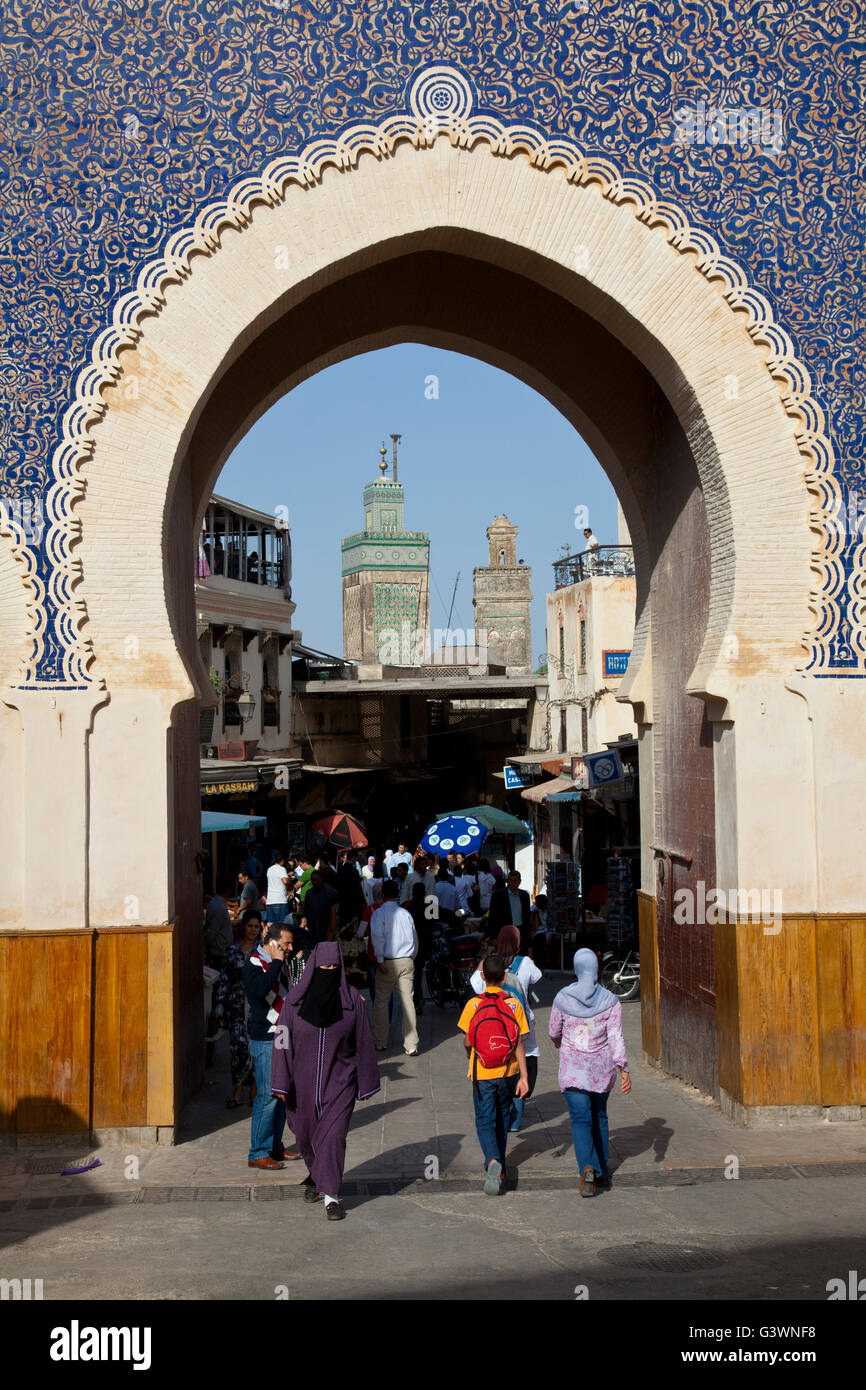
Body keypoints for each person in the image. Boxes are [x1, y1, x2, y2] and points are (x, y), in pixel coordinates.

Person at [271, 941, 380, 1220]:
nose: (328, 971)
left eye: (333, 967)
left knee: (333, 1137)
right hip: (302, 1085)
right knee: (306, 1137)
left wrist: (366, 1081)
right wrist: (281, 1081)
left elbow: (364, 1042)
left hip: (340, 1083)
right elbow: (282, 1041)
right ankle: (315, 1175)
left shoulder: (352, 1001)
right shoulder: (295, 1002)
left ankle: (331, 1196)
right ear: (313, 968)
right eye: (323, 967)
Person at [549, 948, 631, 1196]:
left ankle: (587, 1167)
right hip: (601, 1071)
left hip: (573, 1070)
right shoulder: (610, 1000)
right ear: (595, 969)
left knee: (580, 1119)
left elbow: (554, 1031)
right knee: (600, 1116)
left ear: (576, 968)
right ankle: (601, 1169)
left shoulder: (563, 998)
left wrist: (560, 1043)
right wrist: (624, 1069)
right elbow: (616, 1037)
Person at [457, 954, 529, 1196]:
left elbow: (467, 1039)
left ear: (483, 977)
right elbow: (520, 1042)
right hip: (509, 1071)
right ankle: (501, 1169)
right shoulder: (514, 1004)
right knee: (502, 1118)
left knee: (484, 1119)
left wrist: (471, 1054)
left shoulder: (473, 1005)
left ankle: (491, 1161)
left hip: (483, 1071)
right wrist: (524, 1077)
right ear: (505, 977)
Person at [243, 923, 304, 1169]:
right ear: (272, 941)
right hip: (265, 1037)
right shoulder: (254, 962)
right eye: (286, 943)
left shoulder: (280, 960)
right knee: (268, 1095)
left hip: (281, 1034)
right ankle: (258, 1152)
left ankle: (275, 1147)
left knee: (280, 1094)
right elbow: (260, 990)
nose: (290, 948)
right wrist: (278, 962)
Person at [470, 926, 542, 1132]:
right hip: (522, 1024)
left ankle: (497, 1113)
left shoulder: (489, 964)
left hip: (495, 1025)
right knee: (525, 1063)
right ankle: (516, 1119)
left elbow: (475, 985)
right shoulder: (526, 963)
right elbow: (538, 977)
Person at [214, 909, 261, 1107]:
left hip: (258, 1007)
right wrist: (219, 1006)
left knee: (255, 1048)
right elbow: (224, 978)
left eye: (256, 927)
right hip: (235, 1006)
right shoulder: (232, 950)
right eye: (250, 926)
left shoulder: (264, 951)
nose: (253, 930)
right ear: (243, 927)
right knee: (238, 1048)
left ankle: (255, 1091)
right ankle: (238, 1089)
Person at [370, 879, 419, 1055]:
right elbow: (414, 939)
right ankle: (411, 1044)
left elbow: (377, 937)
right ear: (397, 894)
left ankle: (380, 1041)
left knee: (381, 1002)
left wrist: (380, 960)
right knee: (408, 1001)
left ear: (382, 894)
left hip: (388, 961)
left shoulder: (378, 914)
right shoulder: (405, 914)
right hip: (406, 960)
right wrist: (411, 957)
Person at [488, 870, 533, 953]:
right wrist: (493, 937)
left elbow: (526, 918)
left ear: (519, 882)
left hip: (521, 931)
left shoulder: (524, 896)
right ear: (507, 881)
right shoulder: (498, 895)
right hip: (505, 932)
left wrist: (528, 939)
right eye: (510, 881)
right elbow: (492, 917)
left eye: (515, 881)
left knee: (521, 958)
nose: (512, 883)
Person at [299, 869, 338, 945]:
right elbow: (304, 909)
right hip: (312, 928)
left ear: (321, 879)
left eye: (317, 880)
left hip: (326, 928)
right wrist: (304, 920)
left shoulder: (331, 892)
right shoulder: (309, 893)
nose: (314, 882)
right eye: (313, 880)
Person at [204, 877, 233, 968]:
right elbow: (212, 931)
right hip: (219, 950)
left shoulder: (216, 903)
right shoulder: (219, 907)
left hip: (219, 948)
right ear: (229, 890)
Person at [337, 848, 367, 931]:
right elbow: (358, 889)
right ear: (353, 858)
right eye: (356, 858)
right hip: (353, 904)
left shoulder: (340, 871)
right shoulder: (354, 871)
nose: (357, 860)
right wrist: (363, 902)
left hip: (343, 904)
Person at [265, 852, 290, 924]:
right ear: (282, 860)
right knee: (281, 926)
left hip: (270, 901)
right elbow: (285, 881)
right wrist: (290, 883)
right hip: (280, 900)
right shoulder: (281, 869)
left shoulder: (269, 869)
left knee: (271, 925)